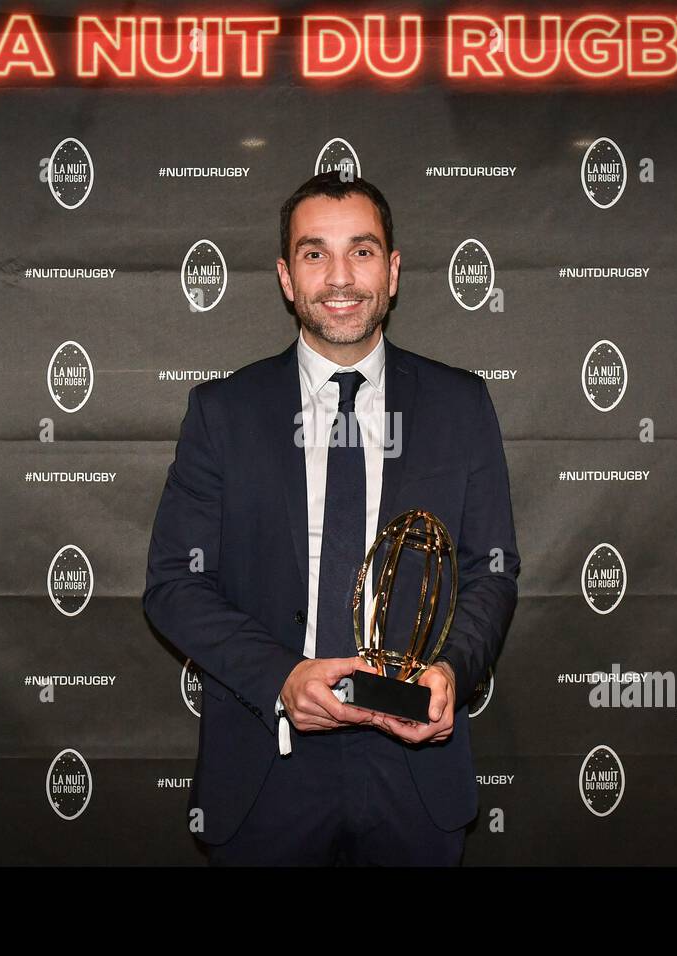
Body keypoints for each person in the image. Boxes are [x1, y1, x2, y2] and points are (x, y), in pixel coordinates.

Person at [144, 171, 519, 865]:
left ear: (394, 270)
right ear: (288, 277)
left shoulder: (459, 406)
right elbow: (174, 584)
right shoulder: (225, 413)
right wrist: (283, 677)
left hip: (414, 764)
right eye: (316, 253)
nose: (340, 277)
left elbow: (490, 574)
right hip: (269, 757)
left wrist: (449, 671)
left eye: (363, 251)